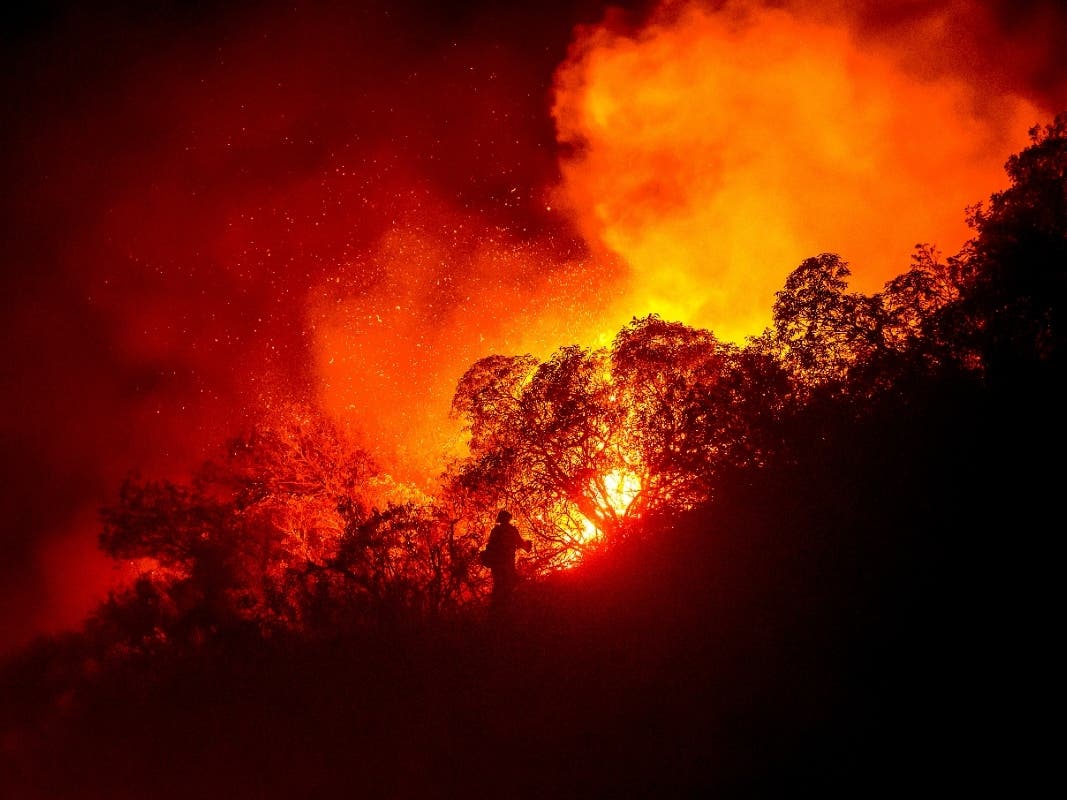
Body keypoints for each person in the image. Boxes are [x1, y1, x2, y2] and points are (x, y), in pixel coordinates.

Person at [483, 509, 531, 608]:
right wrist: (528, 544)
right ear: (509, 518)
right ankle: (506, 607)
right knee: (507, 585)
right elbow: (521, 544)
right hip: (507, 562)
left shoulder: (495, 530)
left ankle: (497, 608)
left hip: (497, 563)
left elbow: (490, 546)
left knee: (498, 585)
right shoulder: (512, 530)